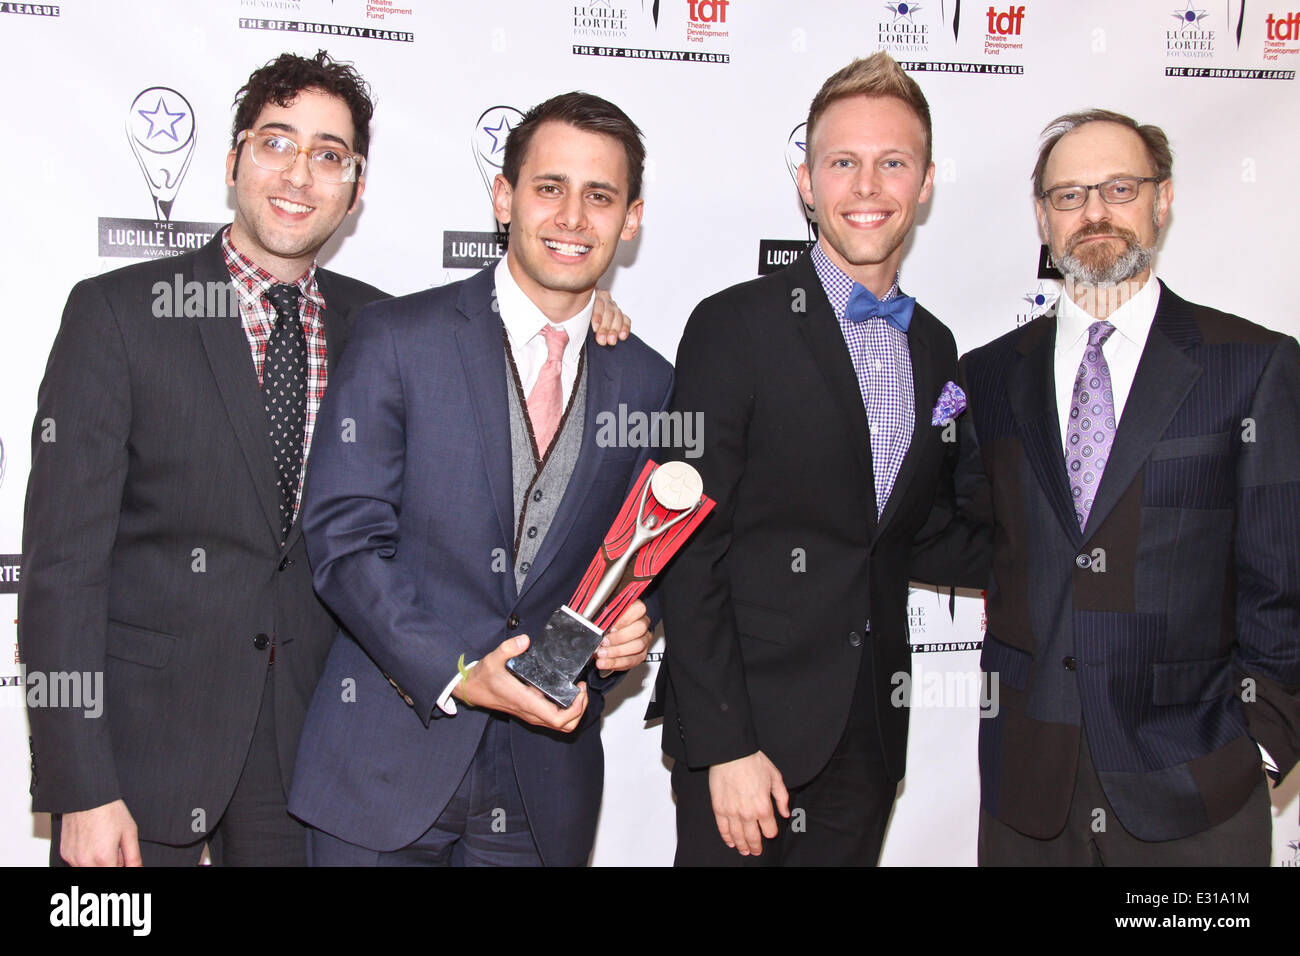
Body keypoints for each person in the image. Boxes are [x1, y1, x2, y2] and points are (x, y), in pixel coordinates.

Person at [19, 51, 633, 868]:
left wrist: (590, 313)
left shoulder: (384, 329)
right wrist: (80, 784)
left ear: (356, 185)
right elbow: (62, 571)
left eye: (330, 155)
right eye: (277, 143)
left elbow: (530, 338)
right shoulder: (119, 314)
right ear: (234, 159)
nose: (300, 175)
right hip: (141, 750)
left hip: (313, 750)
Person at [288, 91, 673, 866]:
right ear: (503, 198)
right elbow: (343, 541)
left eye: (599, 196)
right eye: (548, 187)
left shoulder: (650, 382)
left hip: (542, 790)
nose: (572, 217)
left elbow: (643, 552)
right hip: (381, 770)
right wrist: (459, 675)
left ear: (630, 219)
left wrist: (637, 623)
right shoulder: (397, 337)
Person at [658, 52, 988, 866]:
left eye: (892, 163)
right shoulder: (732, 326)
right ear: (807, 181)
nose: (867, 187)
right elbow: (685, 543)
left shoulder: (937, 346)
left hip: (869, 741)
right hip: (749, 745)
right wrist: (725, 746)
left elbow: (916, 530)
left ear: (926, 181)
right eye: (843, 162)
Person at [960, 109, 1300, 865]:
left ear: (1163, 198)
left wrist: (1262, 744)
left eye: (1118, 187)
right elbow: (975, 537)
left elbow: (1285, 575)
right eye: (1069, 195)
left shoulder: (1252, 365)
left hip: (1197, 785)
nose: (1095, 213)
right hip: (1028, 785)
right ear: (1043, 216)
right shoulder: (987, 374)